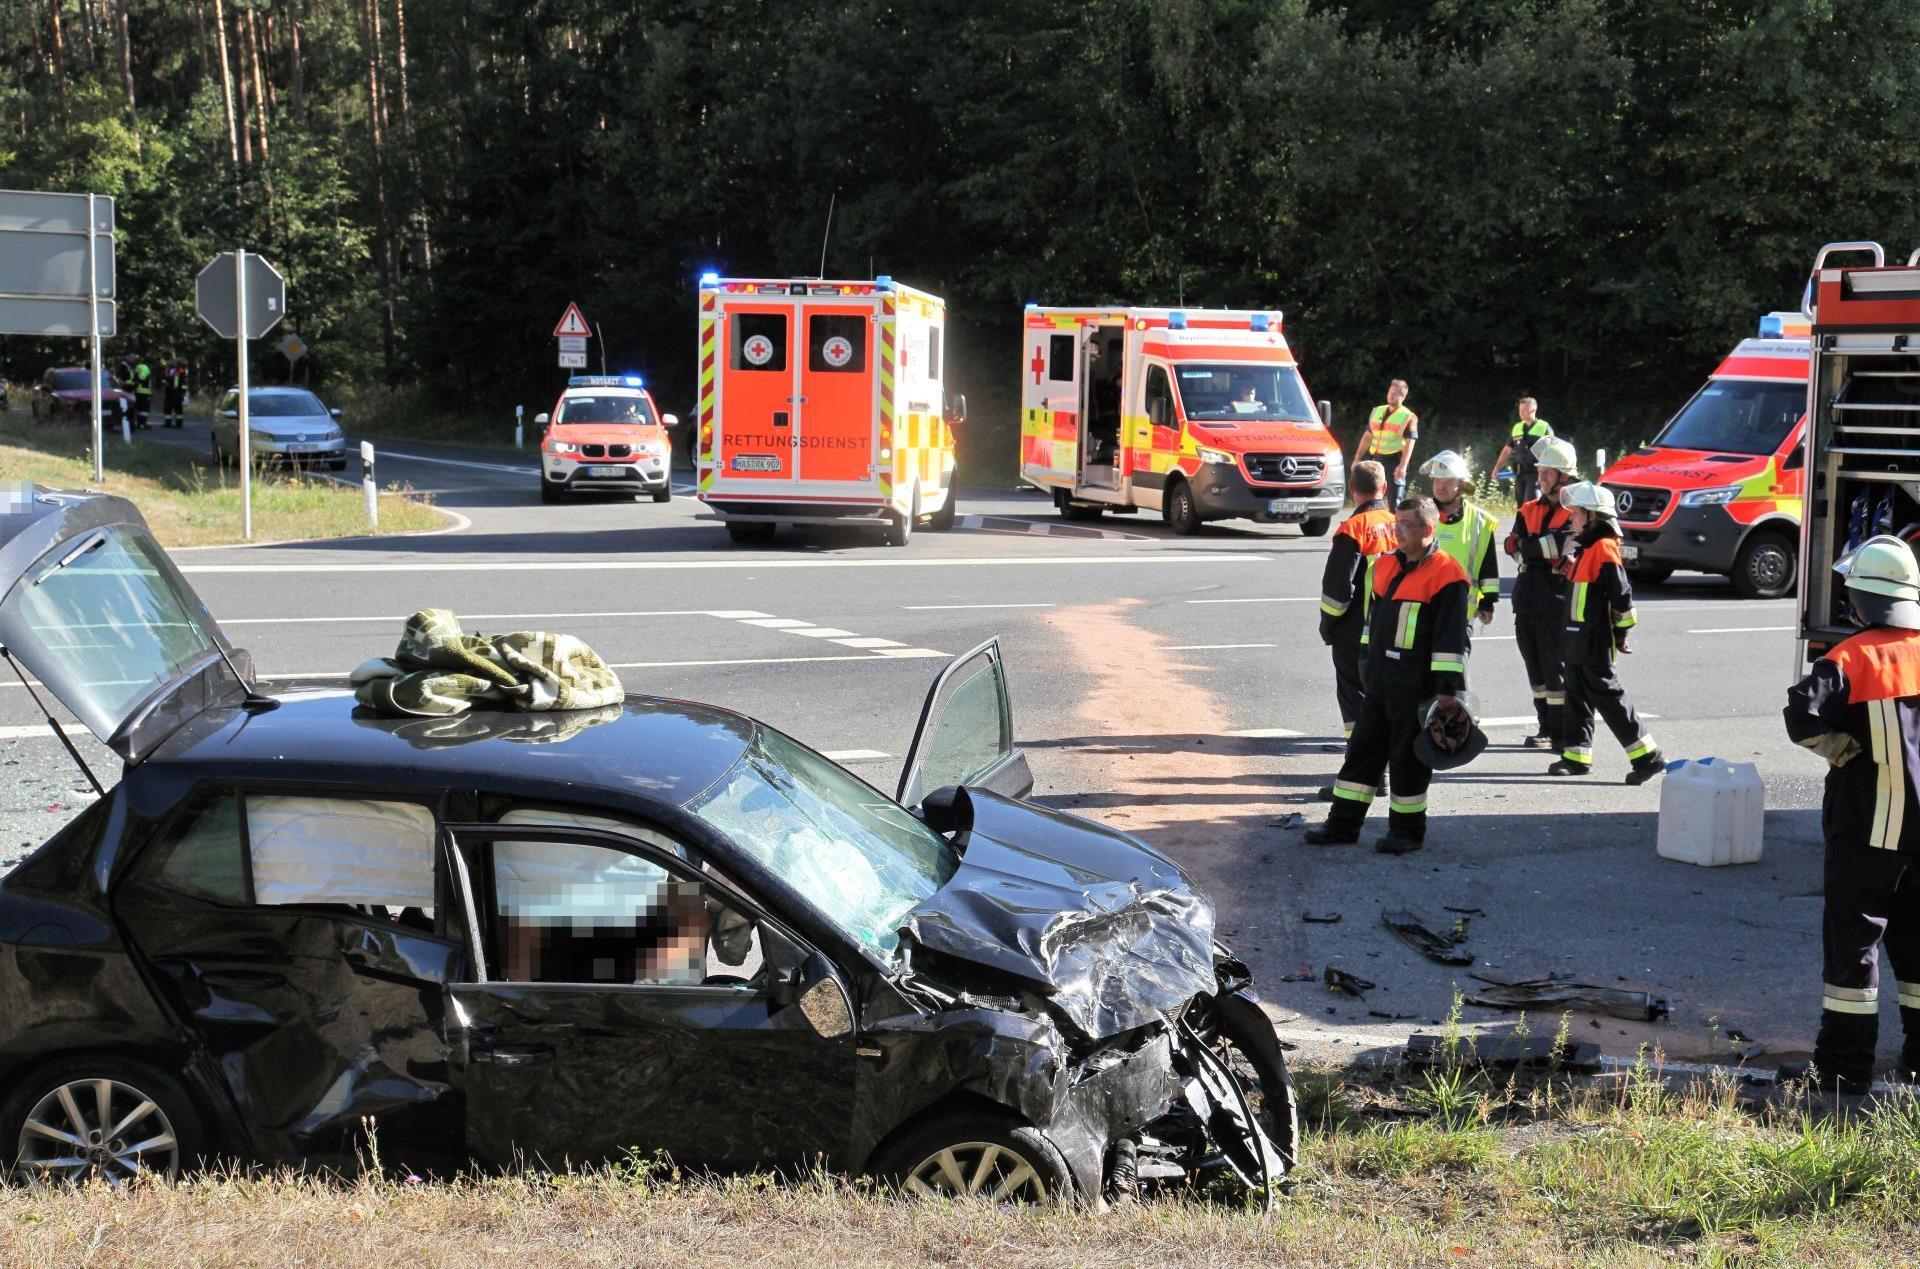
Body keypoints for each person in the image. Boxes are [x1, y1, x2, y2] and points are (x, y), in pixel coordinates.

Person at [1782, 535, 1920, 1093]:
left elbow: (1801, 716)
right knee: (1918, 948)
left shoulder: (1851, 657)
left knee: (1853, 951)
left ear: (1862, 599)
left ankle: (1843, 1069)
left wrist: (1839, 749)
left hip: (1867, 834)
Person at [1305, 495, 1471, 855]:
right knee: (1362, 753)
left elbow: (1452, 639)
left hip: (1416, 687)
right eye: (1396, 523)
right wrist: (1365, 661)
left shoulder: (1447, 574)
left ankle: (1407, 832)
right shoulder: (1385, 567)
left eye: (1405, 525)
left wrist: (1446, 691)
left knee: (1407, 760)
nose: (1397, 531)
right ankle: (1342, 825)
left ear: (1427, 530)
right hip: (1380, 681)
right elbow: (1371, 624)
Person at [1551, 482, 1664, 782]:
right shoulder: (1587, 549)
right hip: (1577, 640)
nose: (1571, 519)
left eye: (1576, 513)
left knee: (1609, 698)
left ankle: (1648, 756)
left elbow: (1622, 596)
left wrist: (1622, 633)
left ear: (1593, 517)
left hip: (1593, 642)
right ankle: (1576, 756)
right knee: (1575, 696)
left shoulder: (1603, 548)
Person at [1506, 436, 1578, 749]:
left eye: (1548, 472)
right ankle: (1545, 727)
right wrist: (1535, 548)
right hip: (1526, 597)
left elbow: (1561, 550)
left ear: (1564, 476)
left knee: (1554, 669)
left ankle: (1561, 732)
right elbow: (1512, 547)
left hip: (1556, 599)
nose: (1541, 476)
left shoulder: (1575, 510)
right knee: (1534, 668)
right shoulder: (1527, 509)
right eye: (1540, 471)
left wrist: (1529, 546)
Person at [1318, 460, 1398, 742]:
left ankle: (1364, 771)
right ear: (1385, 488)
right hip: (1396, 631)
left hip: (1357, 632)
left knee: (1355, 698)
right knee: (1387, 699)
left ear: (1353, 490)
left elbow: (1336, 594)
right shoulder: (1403, 525)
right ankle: (1383, 774)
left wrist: (1329, 627)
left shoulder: (1353, 529)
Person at [1424, 450, 1501, 634]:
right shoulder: (1420, 515)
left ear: (1461, 484)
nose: (1440, 486)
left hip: (1461, 611)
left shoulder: (1480, 521)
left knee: (1453, 662)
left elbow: (1488, 565)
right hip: (1422, 607)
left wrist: (1488, 602)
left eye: (1448, 481)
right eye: (1437, 480)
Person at [1354, 379, 1418, 505]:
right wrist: (1357, 458)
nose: (1391, 395)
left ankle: (1396, 523)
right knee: (1370, 497)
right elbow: (1367, 436)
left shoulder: (1409, 417)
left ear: (1403, 396)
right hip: (1375, 459)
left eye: (1395, 394)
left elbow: (1410, 442)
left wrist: (1403, 466)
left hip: (1394, 461)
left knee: (1394, 501)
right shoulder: (1377, 411)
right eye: (1390, 392)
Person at [1493, 398, 1555, 504]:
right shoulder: (1517, 427)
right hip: (1519, 474)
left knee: (1531, 504)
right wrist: (1497, 467)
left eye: (1524, 410)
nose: (1520, 413)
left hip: (1536, 474)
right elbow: (1507, 449)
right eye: (1520, 410)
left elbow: (1553, 451)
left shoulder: (1544, 427)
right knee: (1521, 508)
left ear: (1533, 410)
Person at [162, 352, 190, 428]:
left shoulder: (181, 371)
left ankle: (179, 424)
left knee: (178, 408)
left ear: (177, 362)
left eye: (174, 361)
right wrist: (164, 382)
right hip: (168, 392)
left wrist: (182, 393)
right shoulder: (167, 370)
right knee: (167, 408)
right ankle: (167, 423)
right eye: (171, 361)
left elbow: (184, 383)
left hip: (177, 392)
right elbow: (163, 379)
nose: (171, 362)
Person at [130, 353, 154, 430]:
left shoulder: (138, 367)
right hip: (144, 392)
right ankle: (143, 424)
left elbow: (135, 378)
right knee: (144, 409)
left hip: (138, 391)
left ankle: (138, 423)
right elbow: (141, 378)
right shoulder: (145, 368)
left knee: (139, 408)